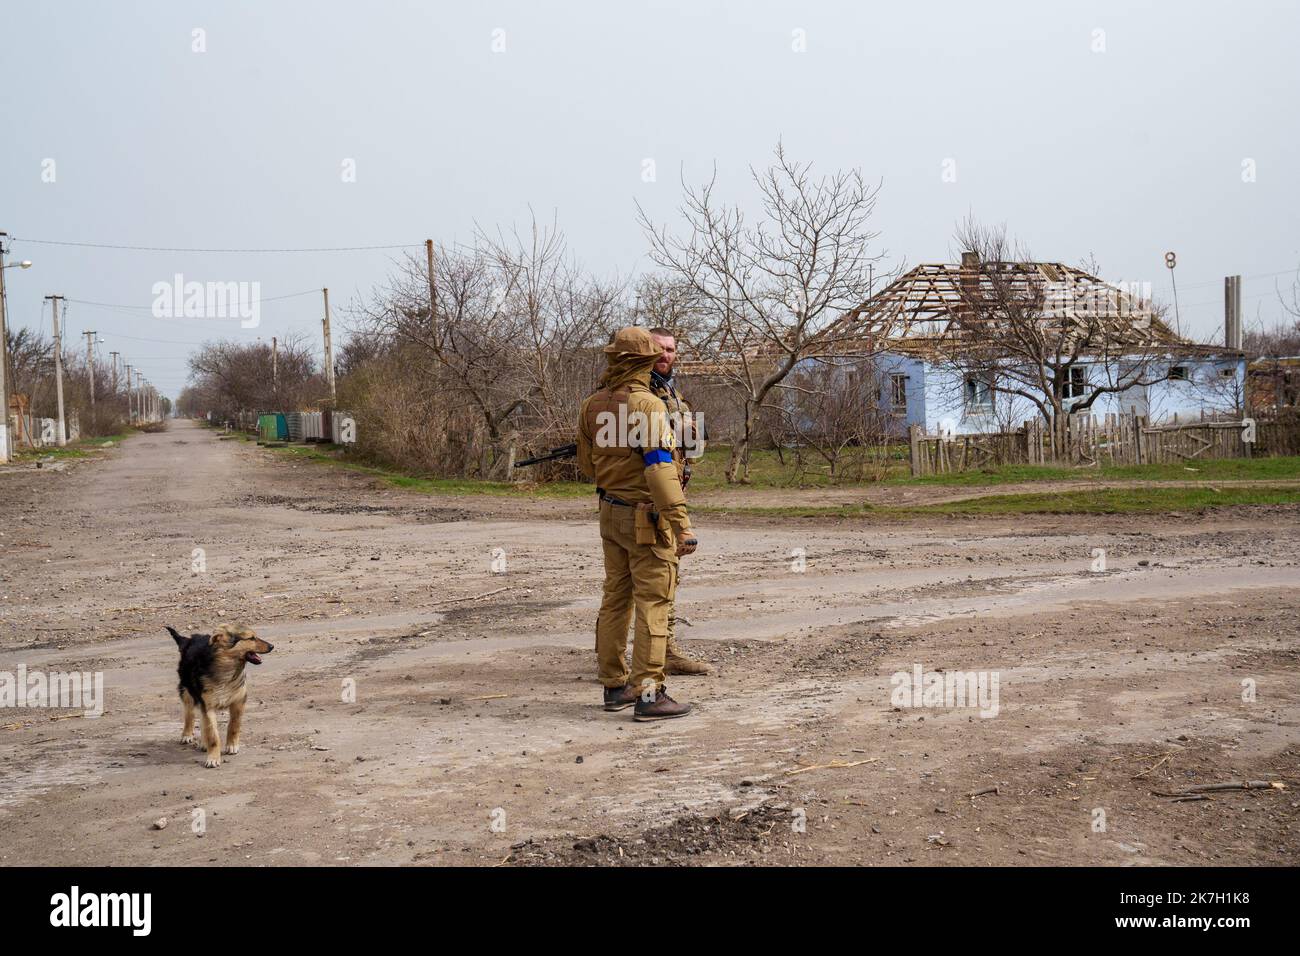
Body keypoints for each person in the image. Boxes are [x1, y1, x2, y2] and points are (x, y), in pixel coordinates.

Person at [577, 326, 697, 720]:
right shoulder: (647, 405)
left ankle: (615, 686)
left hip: (609, 512)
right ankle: (649, 695)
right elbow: (660, 469)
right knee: (653, 603)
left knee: (615, 599)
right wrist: (682, 524)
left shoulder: (593, 403)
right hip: (645, 516)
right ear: (646, 361)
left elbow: (585, 464)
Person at [647, 327, 711, 676]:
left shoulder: (671, 391)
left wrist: (693, 432)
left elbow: (692, 445)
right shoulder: (639, 392)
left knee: (667, 576)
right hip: (649, 497)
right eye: (659, 349)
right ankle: (650, 657)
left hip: (673, 492)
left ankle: (664, 650)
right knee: (650, 579)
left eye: (671, 350)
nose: (666, 355)